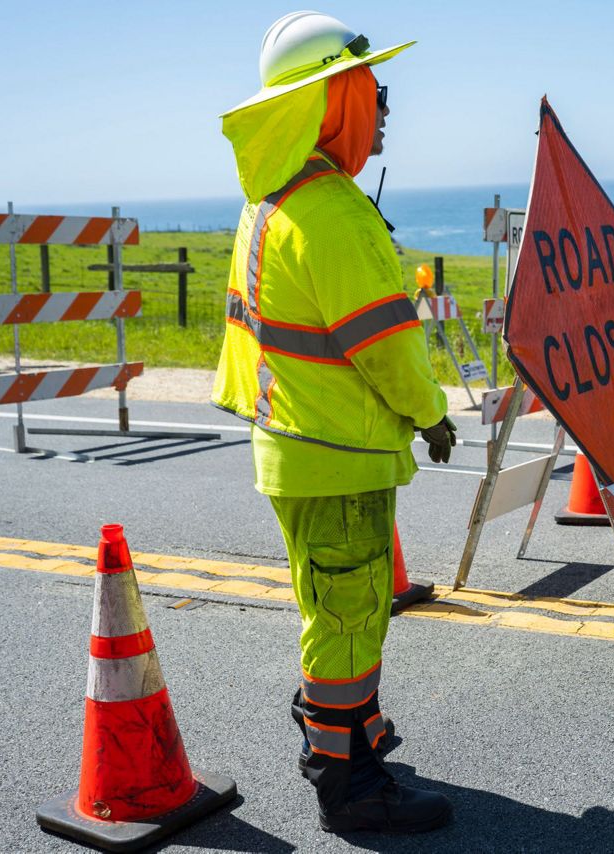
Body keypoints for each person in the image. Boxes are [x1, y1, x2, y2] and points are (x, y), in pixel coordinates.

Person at [212, 11, 456, 833]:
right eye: (373, 90)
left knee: (333, 610)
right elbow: (384, 345)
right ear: (333, 98)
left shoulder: (270, 196)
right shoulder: (332, 211)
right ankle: (348, 786)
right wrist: (432, 415)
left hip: (292, 445)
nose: (384, 108)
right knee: (349, 619)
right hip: (339, 451)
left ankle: (346, 732)